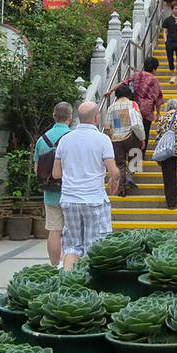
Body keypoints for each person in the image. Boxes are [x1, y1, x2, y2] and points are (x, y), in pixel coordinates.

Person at [51, 101, 119, 269]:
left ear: (78, 118)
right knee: (95, 247)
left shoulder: (65, 140)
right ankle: (91, 287)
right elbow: (114, 171)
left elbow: (56, 174)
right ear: (97, 118)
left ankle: (67, 283)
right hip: (93, 201)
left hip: (69, 200)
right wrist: (113, 181)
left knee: (71, 247)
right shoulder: (103, 140)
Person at [33, 101, 74, 266]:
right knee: (73, 233)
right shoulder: (72, 137)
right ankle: (69, 266)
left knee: (54, 231)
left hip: (50, 192)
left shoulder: (42, 140)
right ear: (70, 117)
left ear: (53, 116)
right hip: (70, 191)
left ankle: (55, 265)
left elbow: (37, 169)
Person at [151, 99, 177, 210]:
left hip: (167, 150)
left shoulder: (162, 119)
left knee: (169, 176)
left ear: (167, 107)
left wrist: (158, 156)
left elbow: (158, 137)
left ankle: (171, 203)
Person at [105, 86, 144, 196]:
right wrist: (142, 138)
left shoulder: (111, 108)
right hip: (131, 136)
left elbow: (107, 127)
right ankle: (130, 176)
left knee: (120, 164)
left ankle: (121, 189)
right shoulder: (133, 105)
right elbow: (138, 123)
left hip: (116, 139)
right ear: (129, 94)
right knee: (135, 156)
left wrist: (112, 138)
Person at [116, 57, 163, 144]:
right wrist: (158, 112)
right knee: (144, 133)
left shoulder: (136, 75)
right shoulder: (154, 80)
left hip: (134, 108)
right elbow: (158, 97)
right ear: (154, 69)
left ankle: (133, 153)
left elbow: (123, 83)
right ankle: (141, 153)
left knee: (132, 132)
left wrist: (110, 91)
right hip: (146, 111)